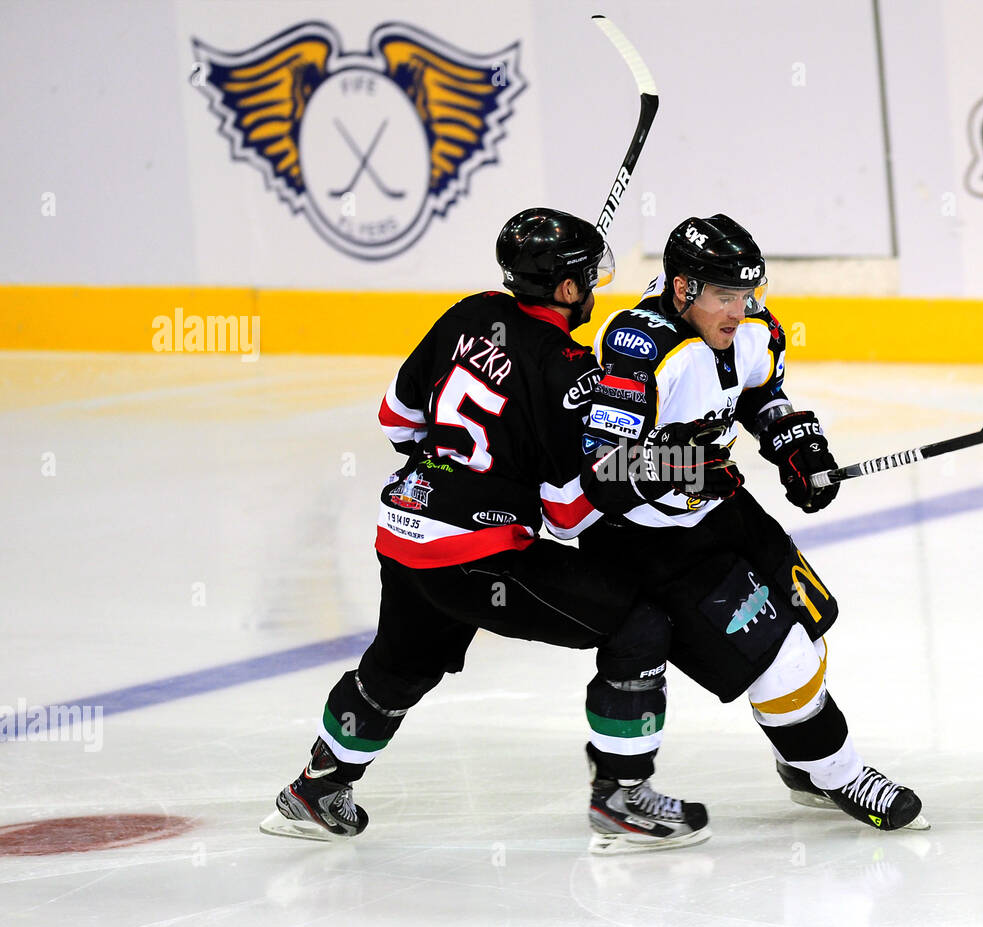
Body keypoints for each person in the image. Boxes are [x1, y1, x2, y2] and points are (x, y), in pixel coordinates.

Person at [261, 209, 709, 853]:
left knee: (400, 662)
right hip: (478, 556)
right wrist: (642, 473)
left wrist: (463, 464)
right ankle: (621, 797)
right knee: (638, 624)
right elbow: (564, 515)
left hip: (404, 534)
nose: (594, 290)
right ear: (565, 290)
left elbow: (396, 423)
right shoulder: (570, 368)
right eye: (587, 279)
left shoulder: (467, 313)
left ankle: (316, 787)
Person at [575, 213, 927, 831]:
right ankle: (838, 772)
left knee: (809, 632)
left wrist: (799, 447)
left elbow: (762, 397)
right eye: (724, 296)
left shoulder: (754, 329)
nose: (740, 309)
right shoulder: (640, 346)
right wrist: (681, 466)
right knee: (782, 663)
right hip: (650, 540)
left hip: (722, 510)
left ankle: (801, 761)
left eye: (748, 292)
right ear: (682, 289)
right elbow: (602, 472)